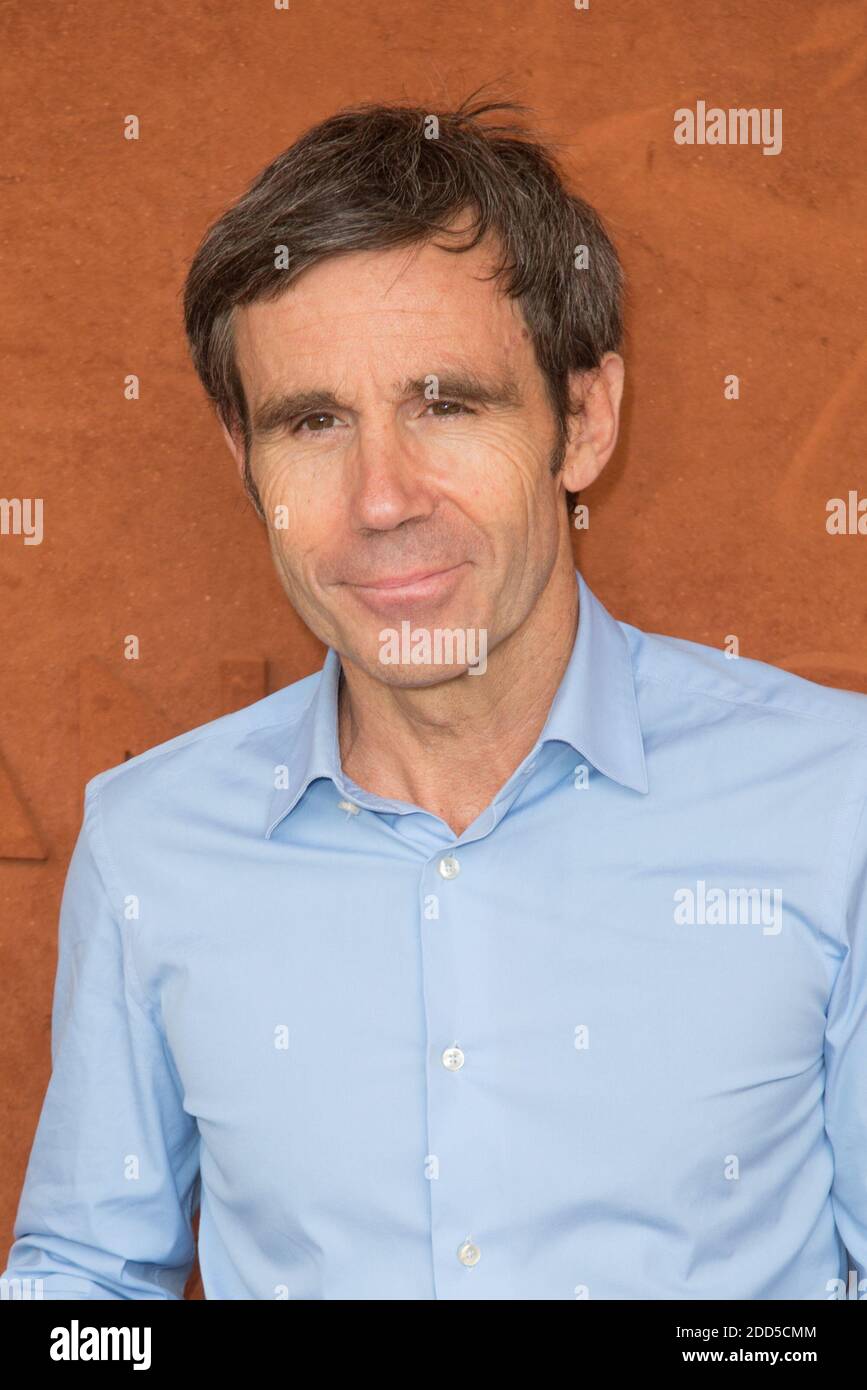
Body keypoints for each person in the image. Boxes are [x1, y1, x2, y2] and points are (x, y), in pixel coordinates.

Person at [3, 97, 865, 1301]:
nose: (381, 498)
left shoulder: (837, 805)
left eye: (447, 404)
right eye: (313, 422)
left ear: (585, 420)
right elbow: (85, 1291)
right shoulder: (149, 843)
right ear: (244, 458)